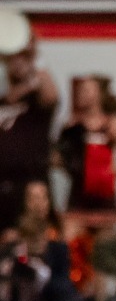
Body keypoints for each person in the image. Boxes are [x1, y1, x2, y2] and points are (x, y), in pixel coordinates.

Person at [0, 179, 87, 301]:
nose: (39, 204)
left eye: (43, 197)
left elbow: (66, 288)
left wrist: (43, 275)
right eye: (33, 198)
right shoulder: (11, 242)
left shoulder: (58, 245)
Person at [56, 74, 116, 240]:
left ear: (99, 94)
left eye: (86, 90)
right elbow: (58, 158)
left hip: (105, 199)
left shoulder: (113, 124)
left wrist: (112, 171)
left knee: (105, 251)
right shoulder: (71, 126)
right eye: (79, 91)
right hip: (78, 199)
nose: (81, 94)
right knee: (71, 248)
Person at [0, 26, 57, 230]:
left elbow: (51, 95)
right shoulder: (3, 100)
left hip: (30, 184)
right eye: (12, 58)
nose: (17, 63)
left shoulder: (36, 102)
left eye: (22, 58)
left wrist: (35, 57)